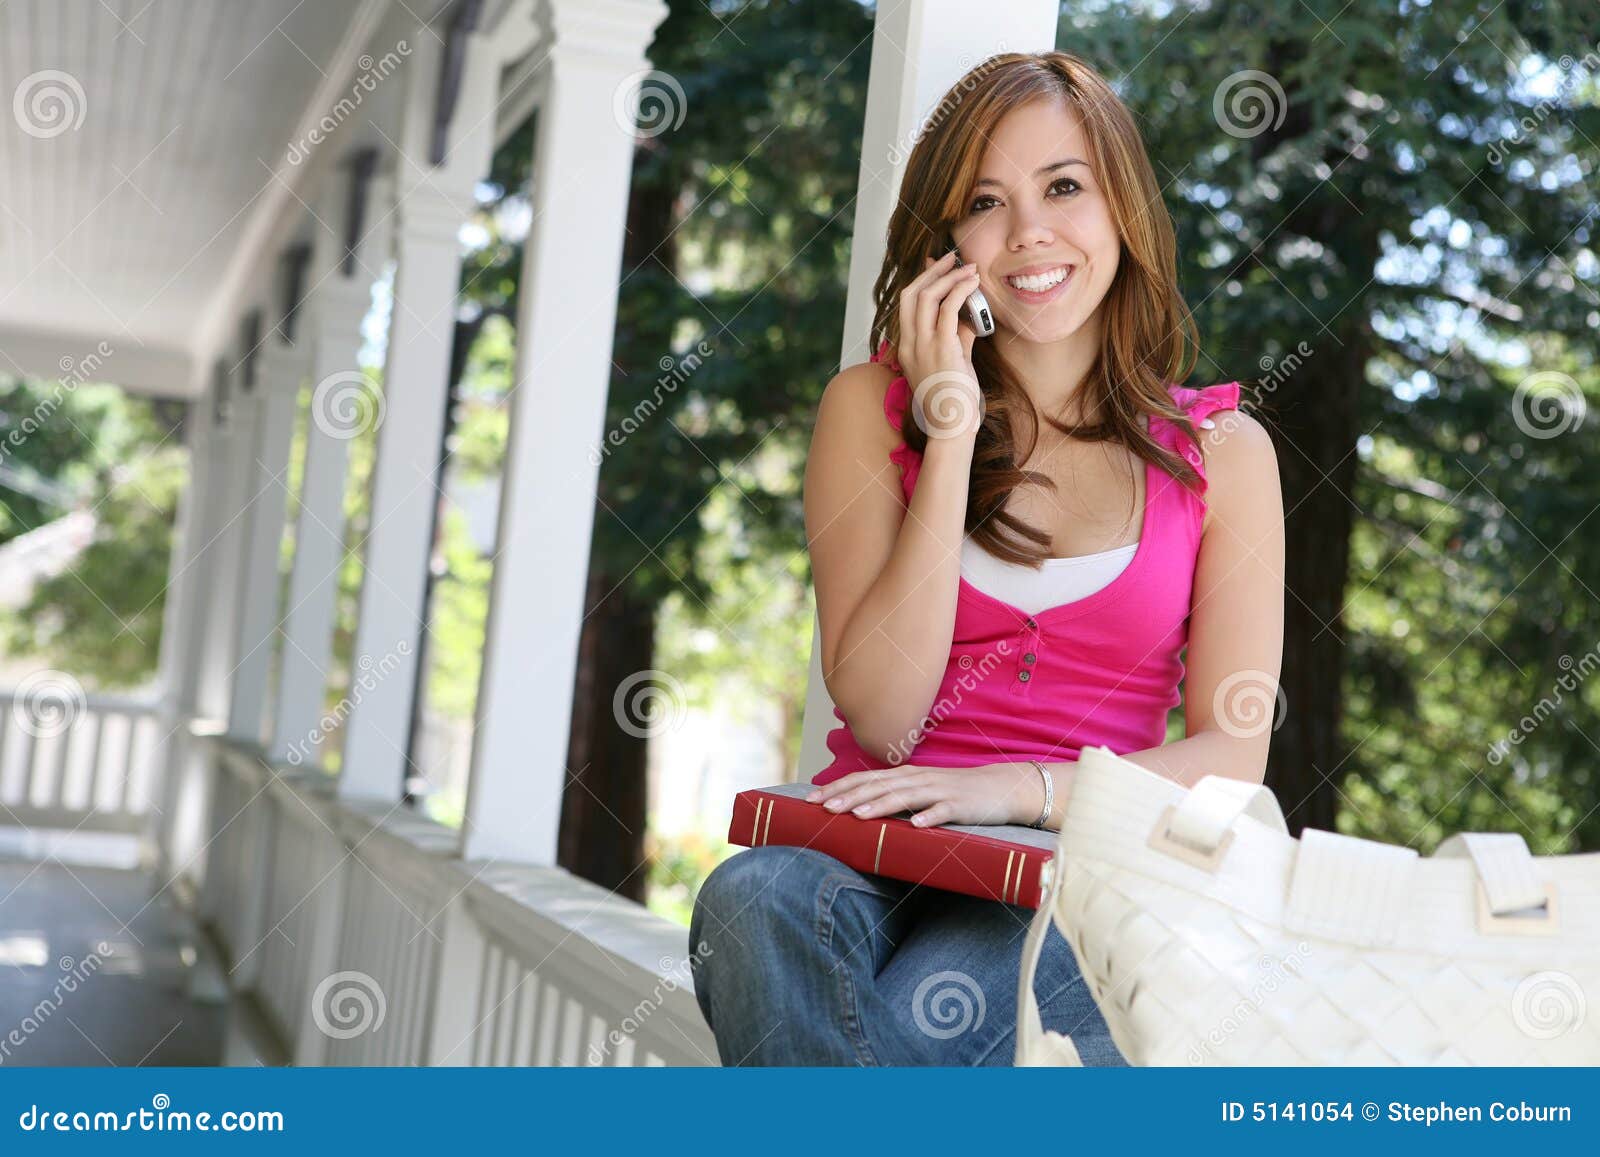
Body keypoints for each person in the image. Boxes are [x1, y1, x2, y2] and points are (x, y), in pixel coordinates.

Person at [690, 50, 1285, 1067]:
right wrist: (951, 427)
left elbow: (1229, 755)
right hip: (872, 844)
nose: (1028, 235)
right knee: (745, 899)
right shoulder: (868, 413)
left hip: (1069, 861)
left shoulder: (1221, 454)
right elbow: (881, 717)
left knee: (934, 1009)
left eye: (1063, 187)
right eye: (984, 201)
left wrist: (1017, 789)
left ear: (1123, 209)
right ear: (945, 242)